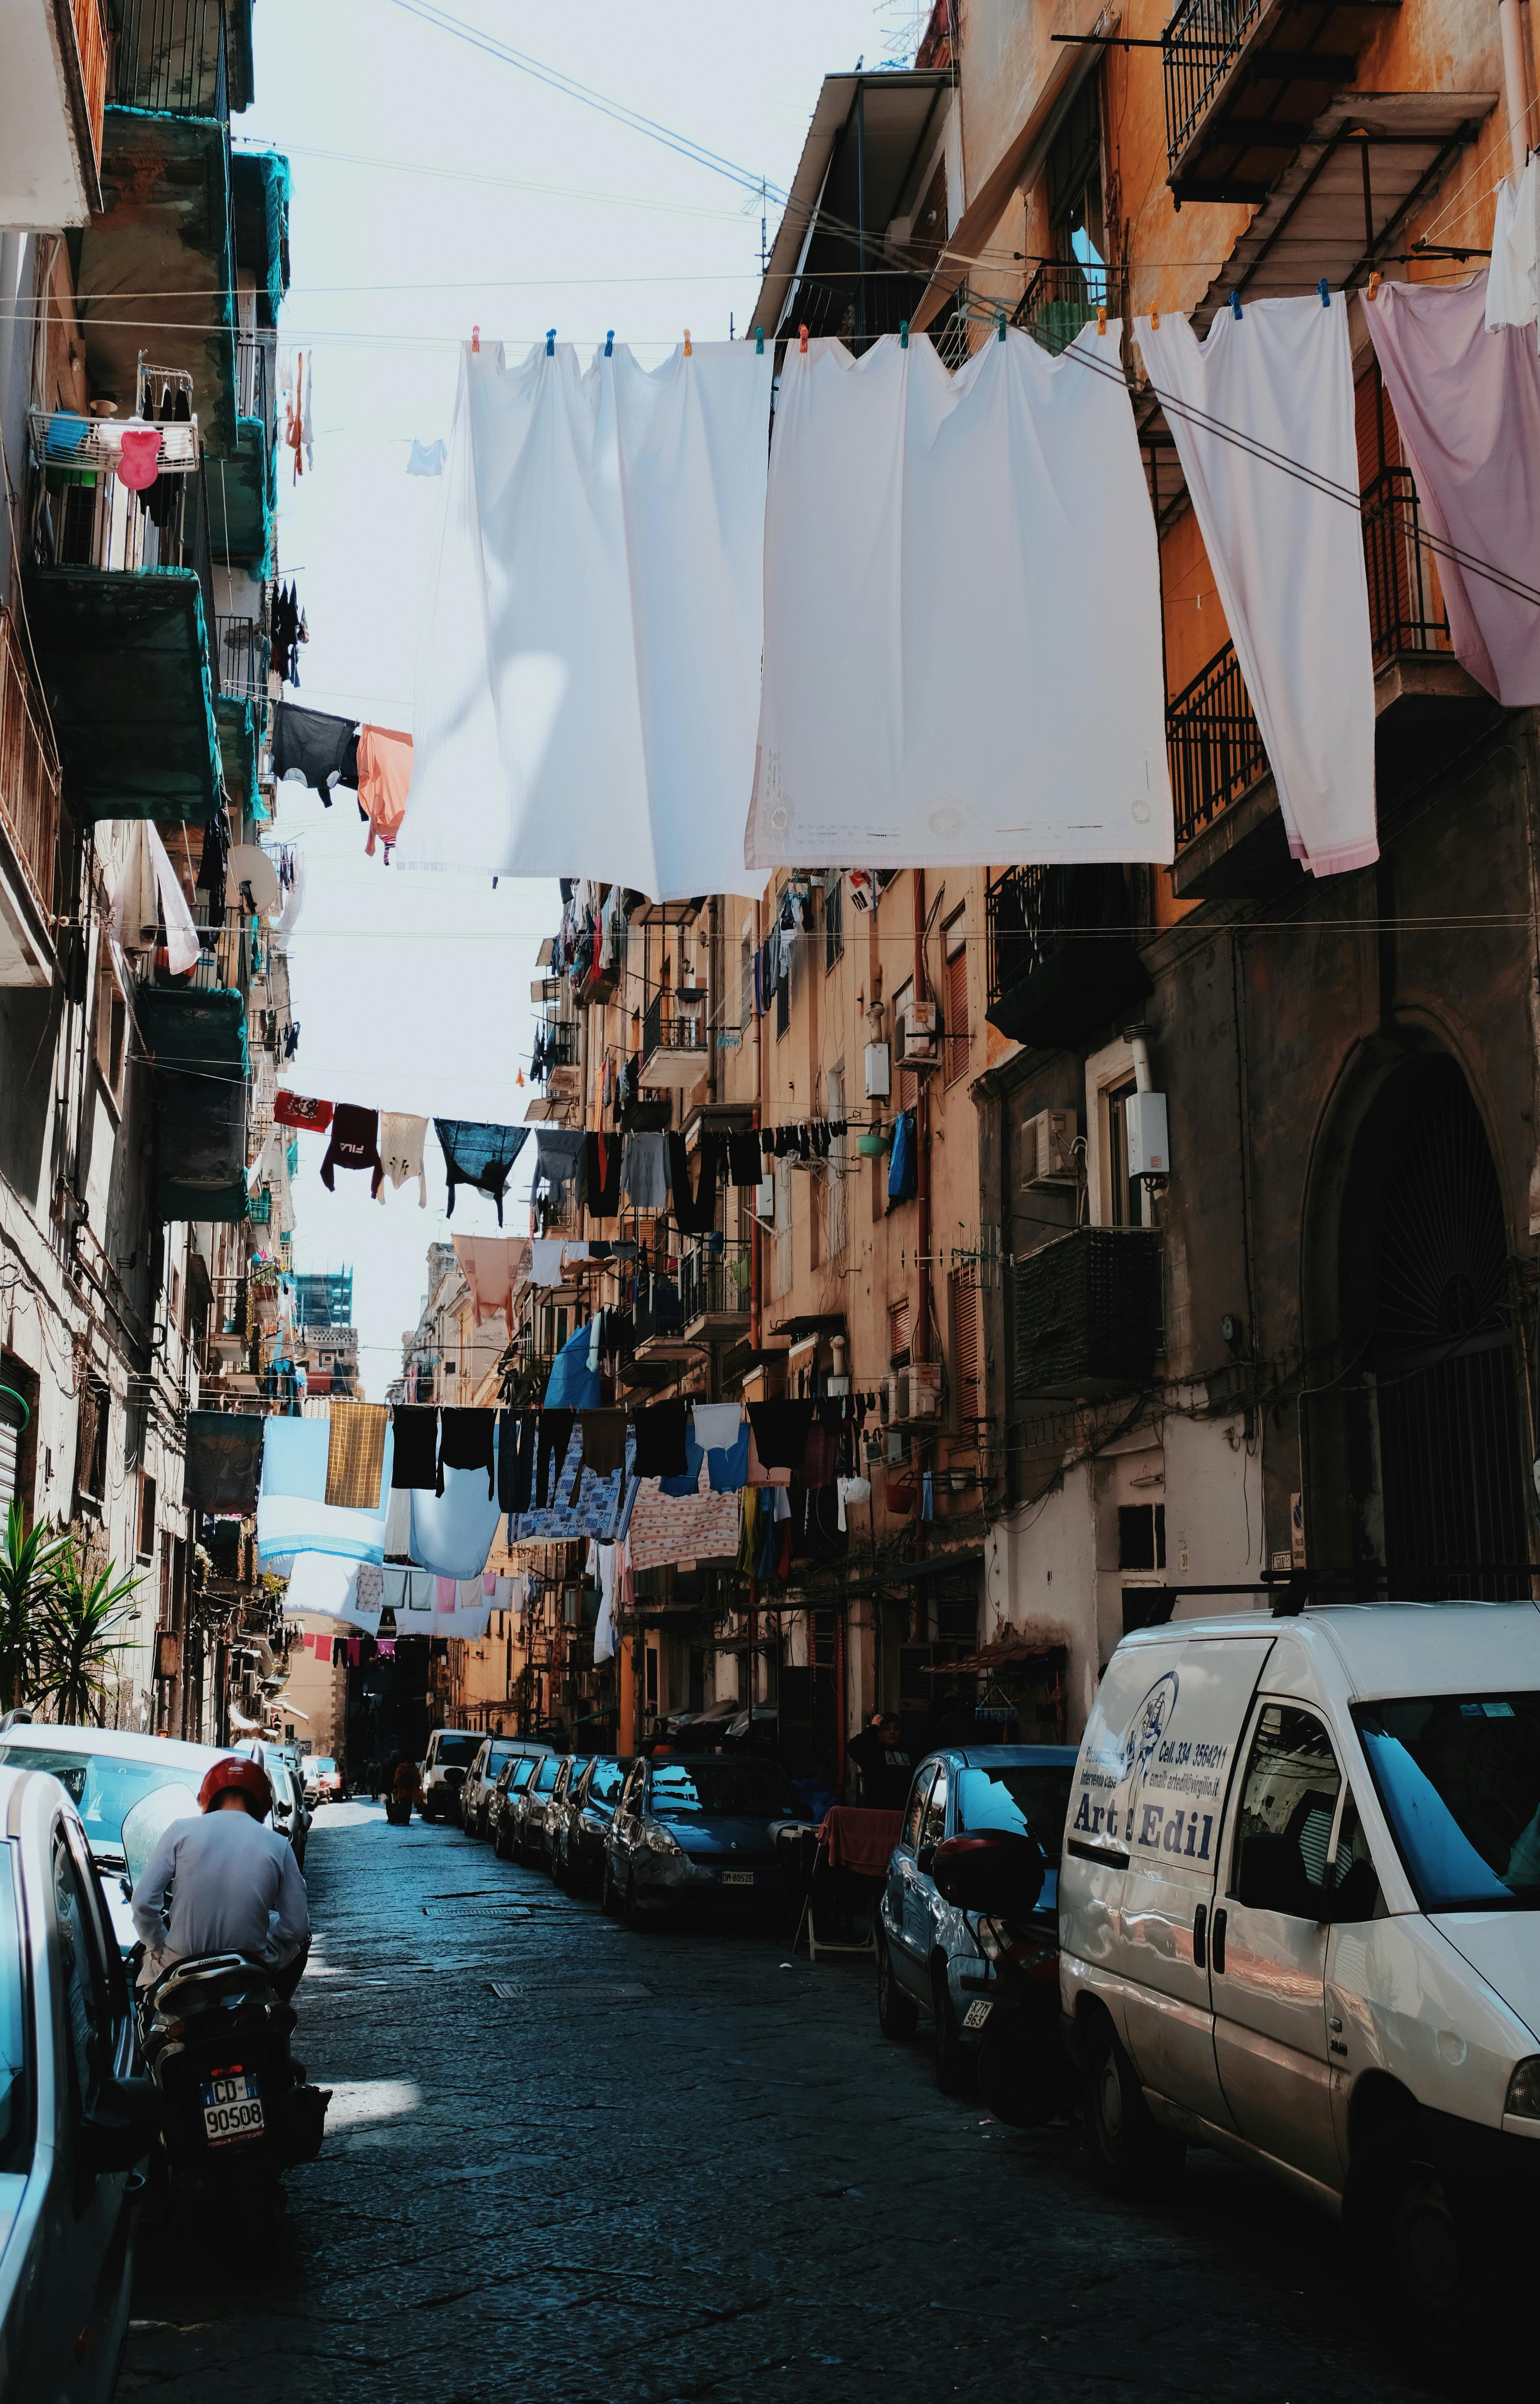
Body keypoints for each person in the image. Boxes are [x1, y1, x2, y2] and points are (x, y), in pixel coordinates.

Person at [130, 1756, 311, 2000]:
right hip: (248, 1969)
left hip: (179, 1967)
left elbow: (142, 1904)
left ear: (208, 1795)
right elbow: (297, 1928)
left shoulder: (180, 1831)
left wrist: (159, 1946)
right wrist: (268, 1926)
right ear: (262, 1803)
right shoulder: (278, 1845)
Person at [847, 1711, 912, 1810]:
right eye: (887, 1729)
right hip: (879, 1813)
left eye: (896, 1728)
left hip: (904, 1813)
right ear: (880, 1732)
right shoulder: (873, 1752)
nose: (892, 1732)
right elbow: (853, 1747)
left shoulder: (908, 1751)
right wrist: (873, 1728)